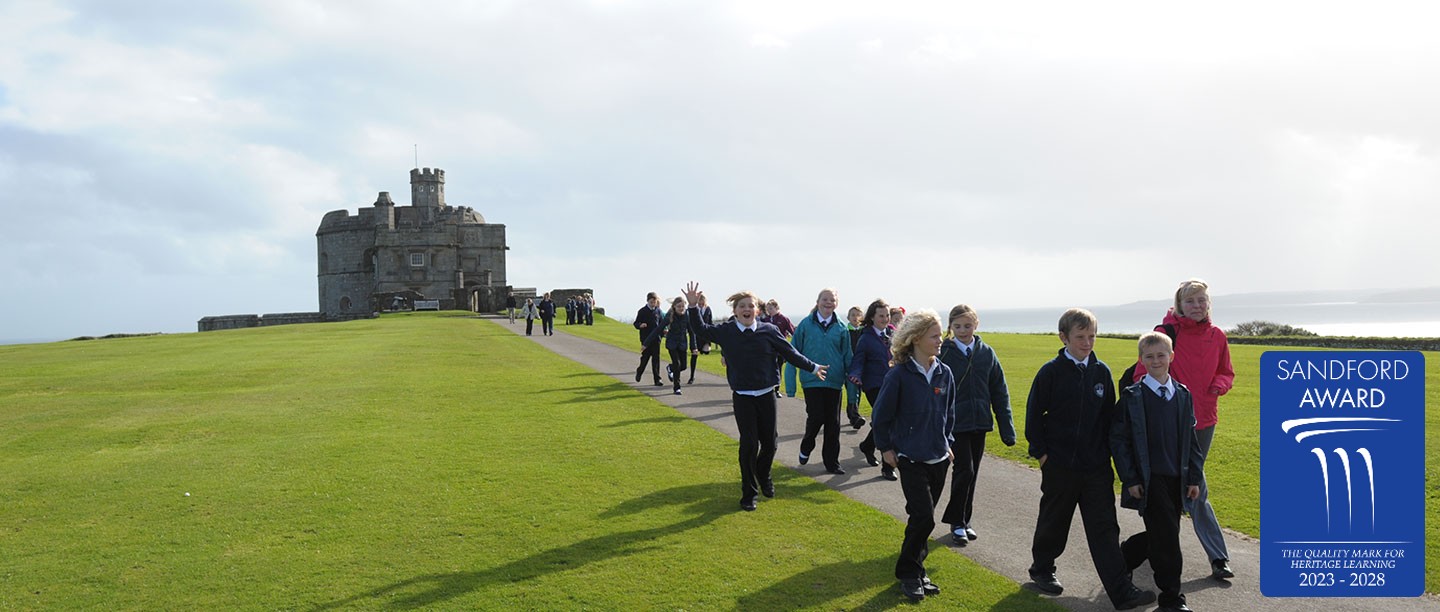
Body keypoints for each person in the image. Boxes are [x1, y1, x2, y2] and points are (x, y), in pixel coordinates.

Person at [1025, 308, 1154, 610]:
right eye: (1080, 337)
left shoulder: (1101, 373)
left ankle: (1122, 592)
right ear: (1064, 337)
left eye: (1091, 336)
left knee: (1105, 528)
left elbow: (1110, 419)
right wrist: (1043, 455)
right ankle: (1042, 569)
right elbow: (1033, 417)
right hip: (1060, 466)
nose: (1087, 343)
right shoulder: (1050, 372)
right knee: (1054, 521)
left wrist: (1109, 458)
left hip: (1096, 467)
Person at [683, 281, 827, 512]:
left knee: (770, 444)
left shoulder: (768, 331)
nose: (746, 309)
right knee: (749, 445)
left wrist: (812, 367)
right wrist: (692, 307)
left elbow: (790, 353)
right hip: (743, 397)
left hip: (766, 395)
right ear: (735, 311)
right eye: (742, 306)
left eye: (750, 305)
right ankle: (749, 493)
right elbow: (701, 330)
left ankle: (764, 474)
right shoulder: (727, 331)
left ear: (757, 310)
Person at [1131, 278, 1236, 581]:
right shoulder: (1164, 334)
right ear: (1179, 305)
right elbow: (1142, 373)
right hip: (1171, 424)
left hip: (1205, 421)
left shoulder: (1217, 336)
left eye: (1202, 300)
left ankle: (1157, 548)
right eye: (1190, 301)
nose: (1197, 306)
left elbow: (1225, 371)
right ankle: (1217, 557)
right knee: (1194, 488)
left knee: (1186, 489)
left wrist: (1219, 385)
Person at [1113, 332, 1205, 612]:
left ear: (1171, 357)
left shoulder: (1183, 394)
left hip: (1178, 478)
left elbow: (1191, 441)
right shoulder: (1132, 397)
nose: (1156, 360)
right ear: (1141, 360)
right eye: (1149, 356)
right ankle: (1171, 597)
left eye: (1161, 355)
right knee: (1166, 537)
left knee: (1164, 532)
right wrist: (1130, 478)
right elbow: (1119, 441)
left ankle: (1126, 556)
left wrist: (1193, 478)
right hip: (1149, 480)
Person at [871, 309, 955, 602]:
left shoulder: (945, 372)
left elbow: (949, 413)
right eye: (935, 336)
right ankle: (908, 572)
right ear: (916, 338)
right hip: (909, 458)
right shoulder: (899, 375)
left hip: (939, 457)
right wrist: (886, 447)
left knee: (922, 519)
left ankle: (918, 570)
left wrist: (948, 442)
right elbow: (880, 416)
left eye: (941, 335)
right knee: (924, 516)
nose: (941, 340)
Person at [938, 304, 1016, 547]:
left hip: (980, 422)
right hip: (955, 424)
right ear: (950, 327)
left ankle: (964, 520)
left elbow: (999, 390)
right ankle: (957, 522)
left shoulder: (986, 353)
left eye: (967, 325)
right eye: (957, 326)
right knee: (965, 470)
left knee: (973, 474)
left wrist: (1007, 427)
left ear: (976, 324)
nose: (962, 330)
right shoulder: (944, 354)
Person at [792, 288, 854, 475]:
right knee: (816, 417)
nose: (828, 303)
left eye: (832, 300)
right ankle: (807, 444)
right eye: (825, 299)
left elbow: (847, 358)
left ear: (837, 303)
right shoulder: (805, 325)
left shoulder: (842, 328)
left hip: (834, 382)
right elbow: (792, 353)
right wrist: (790, 384)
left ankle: (831, 462)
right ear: (818, 301)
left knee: (833, 424)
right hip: (811, 380)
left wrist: (851, 389)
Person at [850, 299, 897, 481]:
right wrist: (855, 374)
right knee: (888, 419)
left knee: (884, 420)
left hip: (892, 383)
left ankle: (868, 445)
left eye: (887, 316)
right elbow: (858, 360)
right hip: (874, 384)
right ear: (872, 317)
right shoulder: (866, 337)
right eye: (881, 316)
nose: (885, 319)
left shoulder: (893, 334)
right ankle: (888, 467)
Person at [646, 296, 690, 395]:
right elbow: (658, 329)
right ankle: (677, 388)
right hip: (672, 343)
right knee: (677, 365)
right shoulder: (670, 315)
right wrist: (646, 343)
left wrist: (694, 347)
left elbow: (691, 332)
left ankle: (670, 368)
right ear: (674, 307)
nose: (681, 308)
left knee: (683, 366)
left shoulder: (687, 315)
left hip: (682, 343)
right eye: (679, 306)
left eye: (683, 306)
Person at [633, 292, 665, 386]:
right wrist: (640, 325)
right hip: (645, 339)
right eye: (651, 302)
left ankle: (657, 379)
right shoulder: (642, 311)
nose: (653, 303)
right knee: (645, 358)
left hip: (656, 339)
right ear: (648, 301)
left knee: (656, 359)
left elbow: (662, 324)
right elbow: (636, 323)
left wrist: (664, 331)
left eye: (654, 302)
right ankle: (639, 371)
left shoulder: (658, 311)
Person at [765, 299, 795, 398]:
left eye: (771, 308)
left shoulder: (783, 319)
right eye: (767, 309)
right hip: (767, 349)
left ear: (777, 308)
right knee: (768, 368)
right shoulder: (766, 319)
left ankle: (777, 390)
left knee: (778, 369)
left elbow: (792, 331)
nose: (769, 311)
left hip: (780, 349)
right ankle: (768, 388)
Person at [844, 306, 866, 429]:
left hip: (862, 366)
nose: (855, 317)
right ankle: (854, 416)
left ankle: (853, 416)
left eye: (858, 315)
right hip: (849, 366)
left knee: (858, 391)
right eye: (852, 315)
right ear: (848, 317)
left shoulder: (864, 331)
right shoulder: (845, 331)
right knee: (852, 391)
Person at [687, 293, 714, 384]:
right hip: (696, 336)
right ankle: (692, 376)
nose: (701, 305)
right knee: (694, 356)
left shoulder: (708, 309)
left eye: (702, 304)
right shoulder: (694, 310)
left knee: (706, 352)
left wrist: (709, 341)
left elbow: (710, 322)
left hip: (705, 336)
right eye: (700, 304)